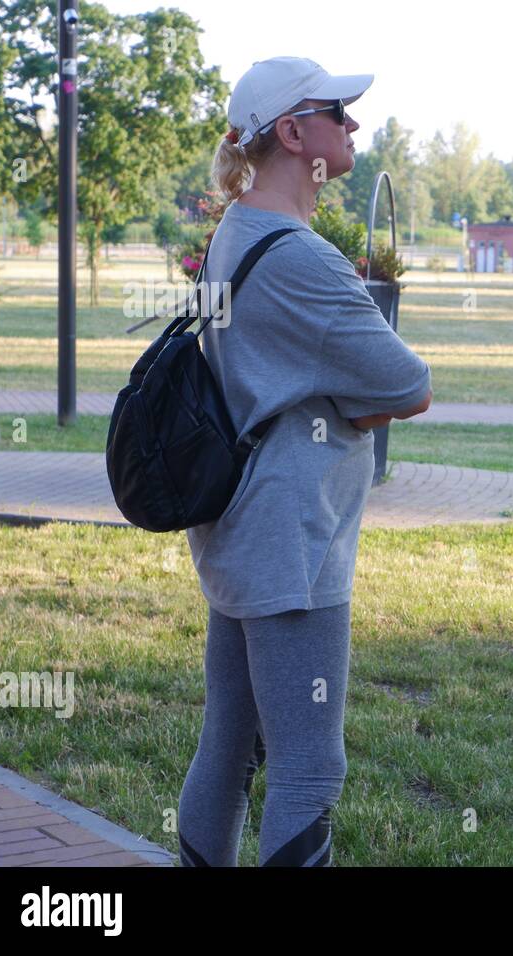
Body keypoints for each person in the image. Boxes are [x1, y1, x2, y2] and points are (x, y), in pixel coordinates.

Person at [176, 56, 431, 867]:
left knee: (230, 746)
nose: (352, 126)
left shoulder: (236, 233)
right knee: (309, 766)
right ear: (292, 134)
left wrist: (339, 396)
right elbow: (410, 383)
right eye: (336, 112)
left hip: (241, 526)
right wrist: (354, 402)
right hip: (293, 539)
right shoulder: (301, 258)